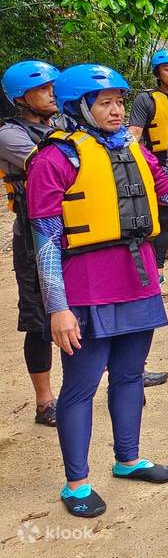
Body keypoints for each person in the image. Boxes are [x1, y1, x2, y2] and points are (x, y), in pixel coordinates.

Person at [28, 64, 168, 517]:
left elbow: (167, 194)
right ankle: (77, 482)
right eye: (105, 103)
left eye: (119, 102)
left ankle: (128, 459)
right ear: (81, 108)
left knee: (130, 374)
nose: (116, 111)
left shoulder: (132, 149)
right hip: (86, 288)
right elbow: (46, 240)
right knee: (81, 385)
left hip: (139, 277)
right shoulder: (55, 158)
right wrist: (58, 308)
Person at [1, 61, 63, 424]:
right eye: (43, 90)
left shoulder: (60, 126)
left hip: (71, 229)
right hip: (34, 236)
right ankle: (44, 402)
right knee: (40, 319)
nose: (51, 94)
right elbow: (48, 167)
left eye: (53, 88)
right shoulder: (9, 134)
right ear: (22, 98)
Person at [127, 49, 168, 285]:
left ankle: (158, 266)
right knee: (157, 218)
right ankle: (153, 267)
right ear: (158, 73)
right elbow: (134, 133)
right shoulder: (146, 99)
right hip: (156, 164)